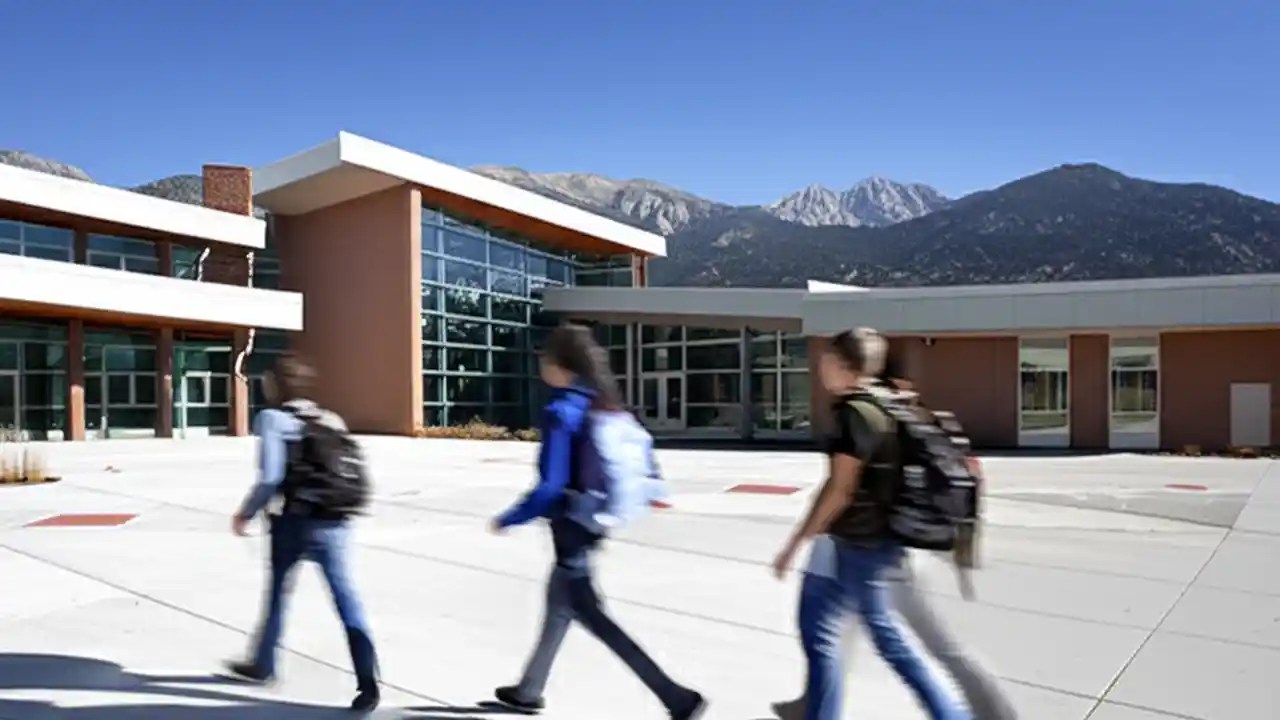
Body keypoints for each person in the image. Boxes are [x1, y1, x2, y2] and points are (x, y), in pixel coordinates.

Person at [772, 347, 1016, 720]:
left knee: (895, 643)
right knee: (834, 634)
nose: (820, 369)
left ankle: (960, 715)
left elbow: (840, 487)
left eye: (827, 362)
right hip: (875, 543)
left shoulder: (859, 410)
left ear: (848, 367)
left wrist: (795, 543)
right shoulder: (898, 406)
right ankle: (815, 706)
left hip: (864, 545)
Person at [490, 324, 707, 720]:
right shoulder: (600, 404)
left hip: (571, 529)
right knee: (559, 606)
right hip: (590, 526)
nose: (541, 363)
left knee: (594, 617)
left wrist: (510, 517)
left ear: (560, 364)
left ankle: (676, 697)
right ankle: (528, 691)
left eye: (544, 357)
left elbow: (551, 485)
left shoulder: (560, 411)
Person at [225, 354, 380, 713]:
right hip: (336, 521)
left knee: (279, 593)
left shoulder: (272, 419)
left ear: (275, 386)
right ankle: (367, 680)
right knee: (347, 600)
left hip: (293, 523)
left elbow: (270, 477)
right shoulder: (330, 418)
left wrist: (244, 514)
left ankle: (263, 664)